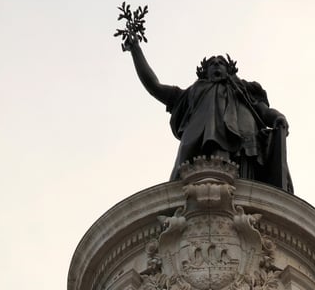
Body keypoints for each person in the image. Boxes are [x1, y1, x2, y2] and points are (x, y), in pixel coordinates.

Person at [123, 34, 292, 192]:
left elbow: (263, 111)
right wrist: (136, 50)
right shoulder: (191, 93)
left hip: (244, 147)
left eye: (221, 63)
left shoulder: (244, 90)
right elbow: (155, 87)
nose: (217, 65)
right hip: (199, 146)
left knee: (246, 189)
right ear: (205, 71)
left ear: (229, 70)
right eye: (212, 63)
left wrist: (278, 117)